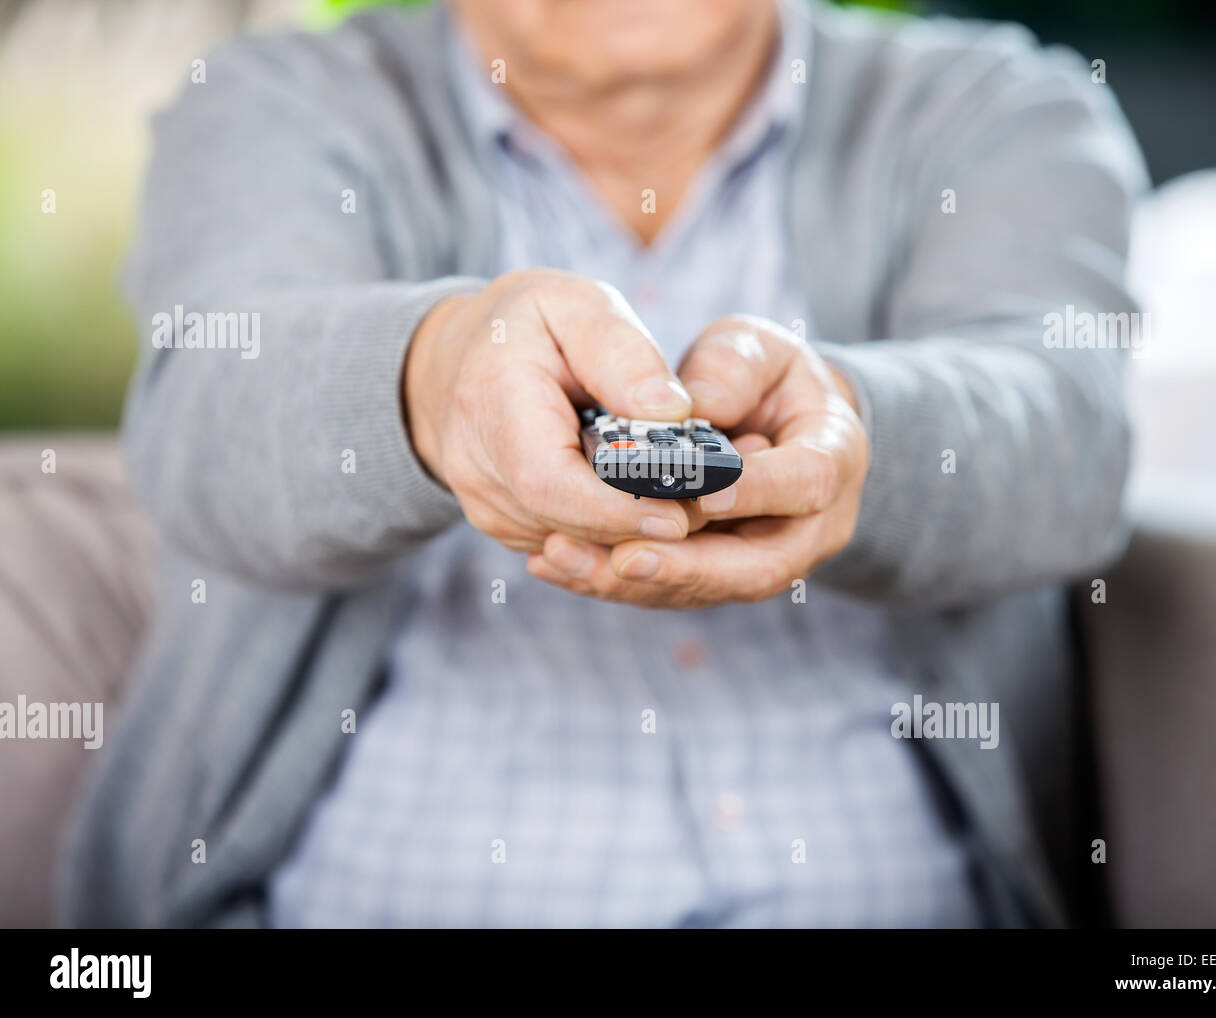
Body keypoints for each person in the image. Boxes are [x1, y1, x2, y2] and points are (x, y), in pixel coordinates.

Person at [59, 0, 1147, 927]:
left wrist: (859, 431)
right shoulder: (275, 105)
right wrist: (432, 379)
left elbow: (1070, 441)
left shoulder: (999, 112)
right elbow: (206, 423)